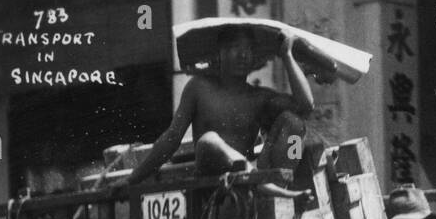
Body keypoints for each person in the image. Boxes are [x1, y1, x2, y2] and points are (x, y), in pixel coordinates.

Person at [124, 26, 317, 187]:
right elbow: (172, 138)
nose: (242, 54)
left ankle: (278, 186)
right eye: (235, 47)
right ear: (220, 53)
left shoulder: (258, 97)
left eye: (248, 49)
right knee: (209, 141)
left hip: (251, 182)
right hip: (211, 180)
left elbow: (306, 106)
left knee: (295, 124)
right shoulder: (199, 88)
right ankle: (260, 184)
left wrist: (287, 56)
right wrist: (133, 178)